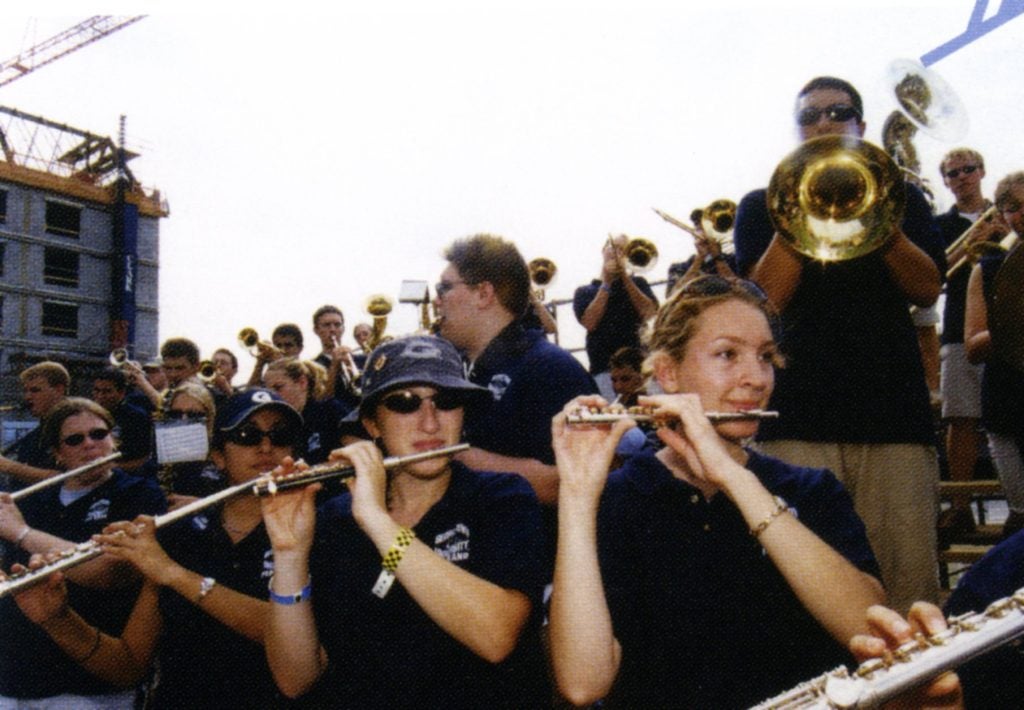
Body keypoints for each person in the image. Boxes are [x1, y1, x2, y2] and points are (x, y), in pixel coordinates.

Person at [548, 275, 884, 708]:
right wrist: (577, 495)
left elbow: (871, 629)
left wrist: (733, 476)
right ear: (668, 373)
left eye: (765, 357)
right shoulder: (620, 500)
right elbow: (582, 683)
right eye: (728, 354)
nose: (757, 378)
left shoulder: (809, 490)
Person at [733, 75, 945, 611]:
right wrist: (796, 213)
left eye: (838, 112)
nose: (824, 123)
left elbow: (927, 287)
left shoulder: (902, 197)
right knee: (805, 591)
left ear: (861, 126)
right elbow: (765, 302)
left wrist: (884, 221)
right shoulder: (762, 206)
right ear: (797, 130)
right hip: (797, 422)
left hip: (892, 421)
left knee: (907, 587)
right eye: (810, 116)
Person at [261, 335, 550, 708]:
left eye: (446, 401)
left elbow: (496, 635)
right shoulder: (334, 520)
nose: (430, 424)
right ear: (372, 424)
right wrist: (289, 553)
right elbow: (295, 678)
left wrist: (379, 523)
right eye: (404, 403)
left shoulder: (501, 498)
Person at [3, 389, 303, 709]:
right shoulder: (181, 533)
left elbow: (299, 645)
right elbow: (129, 665)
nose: (266, 446)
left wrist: (175, 575)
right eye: (247, 435)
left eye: (280, 435)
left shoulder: (324, 525)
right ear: (218, 455)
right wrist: (57, 619)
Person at [0, 398, 166, 708]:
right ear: (58, 454)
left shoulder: (140, 494)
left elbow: (109, 571)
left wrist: (21, 533)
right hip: (15, 676)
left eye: (99, 434)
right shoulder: (35, 500)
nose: (90, 445)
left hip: (86, 685)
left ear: (113, 438)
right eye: (75, 440)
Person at [434, 233, 597, 506]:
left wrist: (452, 457)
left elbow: (576, 482)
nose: (437, 301)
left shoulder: (550, 368)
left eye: (444, 288)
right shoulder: (465, 370)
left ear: (484, 294)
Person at [938, 148, 1008, 536]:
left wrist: (1003, 235)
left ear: (982, 171)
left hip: (1006, 327)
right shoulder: (940, 225)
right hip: (956, 330)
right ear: (946, 181)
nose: (962, 177)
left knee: (1009, 418)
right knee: (960, 417)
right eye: (953, 173)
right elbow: (934, 279)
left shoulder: (1007, 214)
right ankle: (961, 505)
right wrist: (971, 245)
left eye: (968, 170)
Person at [965, 171, 1024, 539]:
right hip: (1009, 406)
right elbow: (972, 346)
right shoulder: (986, 271)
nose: (1023, 214)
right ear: (1001, 216)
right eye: (1013, 207)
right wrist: (1012, 320)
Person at [573, 234, 658, 400]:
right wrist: (607, 282)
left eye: (623, 250)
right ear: (603, 251)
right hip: (603, 371)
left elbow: (649, 313)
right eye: (614, 247)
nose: (618, 253)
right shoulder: (585, 291)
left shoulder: (639, 283)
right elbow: (590, 323)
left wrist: (625, 277)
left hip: (640, 369)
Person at [263, 358, 345, 465]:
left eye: (278, 388)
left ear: (302, 382)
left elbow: (359, 452)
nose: (272, 396)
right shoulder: (281, 427)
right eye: (269, 391)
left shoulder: (330, 410)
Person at [0, 362, 67, 489]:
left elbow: (66, 478)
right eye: (25, 391)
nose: (27, 397)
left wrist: (6, 465)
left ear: (59, 389)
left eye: (35, 390)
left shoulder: (72, 427)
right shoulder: (38, 432)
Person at [91, 368, 154, 473]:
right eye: (96, 390)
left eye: (107, 391)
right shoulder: (88, 414)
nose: (100, 396)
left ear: (122, 392)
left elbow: (145, 459)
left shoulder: (136, 417)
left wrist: (114, 467)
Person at [311, 305, 361, 410]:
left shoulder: (360, 359)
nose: (333, 329)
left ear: (343, 329)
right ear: (316, 330)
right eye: (326, 325)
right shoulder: (313, 366)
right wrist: (334, 365)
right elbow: (322, 400)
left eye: (337, 325)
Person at [245, 323, 305, 388]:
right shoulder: (270, 375)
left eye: (288, 345)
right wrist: (260, 364)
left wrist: (281, 365)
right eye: (278, 346)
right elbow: (250, 394)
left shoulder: (307, 372)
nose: (282, 350)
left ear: (300, 348)